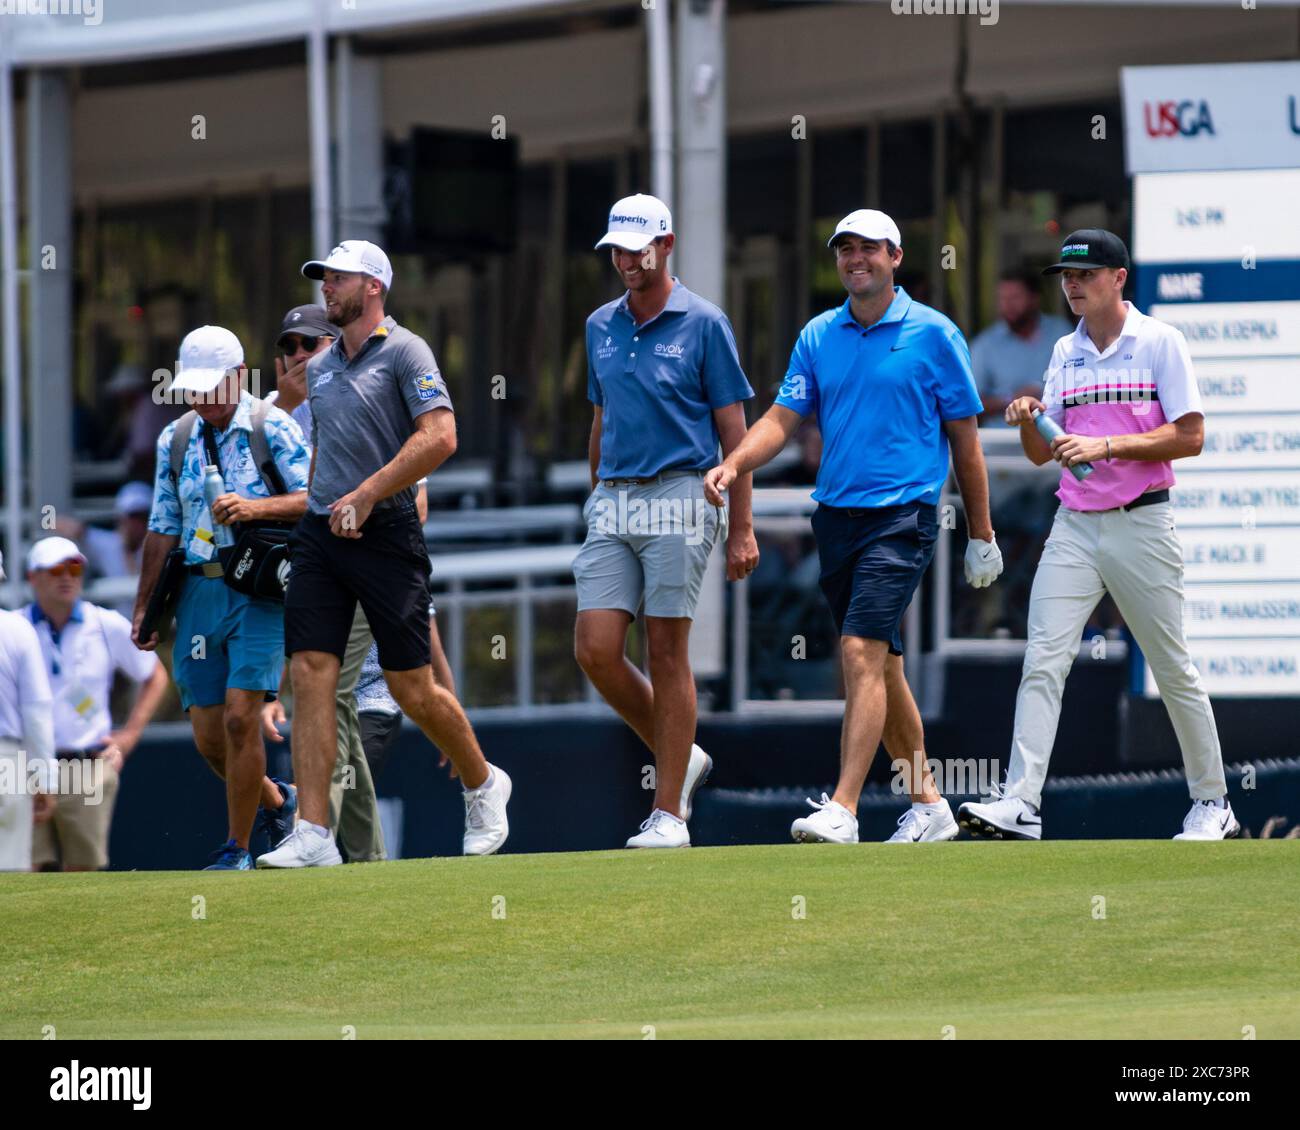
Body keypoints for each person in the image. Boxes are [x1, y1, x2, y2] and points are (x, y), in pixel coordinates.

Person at [705, 208, 1002, 844]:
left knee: (860, 652)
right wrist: (734, 463)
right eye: (845, 249)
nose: (855, 259)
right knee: (883, 668)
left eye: (869, 248)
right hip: (835, 519)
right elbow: (782, 421)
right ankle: (929, 804)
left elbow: (967, 443)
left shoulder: (935, 334)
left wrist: (982, 533)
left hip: (904, 515)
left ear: (896, 257)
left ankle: (844, 806)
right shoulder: (818, 335)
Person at [958, 229, 1238, 841]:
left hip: (1144, 520)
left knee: (1171, 667)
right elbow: (1042, 456)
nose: (1072, 284)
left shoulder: (1162, 342)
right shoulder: (1064, 352)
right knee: (1043, 660)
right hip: (1075, 525)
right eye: (1066, 275)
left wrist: (1107, 444)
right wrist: (1032, 418)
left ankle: (1214, 804)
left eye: (1085, 274)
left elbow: (1190, 436)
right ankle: (1022, 803)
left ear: (1118, 279)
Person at [258, 240, 510, 867]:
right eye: (324, 279)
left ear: (373, 286)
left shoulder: (407, 351)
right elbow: (325, 455)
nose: (327, 289)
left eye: (337, 279)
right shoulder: (319, 369)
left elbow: (441, 436)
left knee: (411, 685)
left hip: (387, 529)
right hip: (321, 532)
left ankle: (484, 782)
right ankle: (314, 832)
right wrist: (321, 503)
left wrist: (368, 495)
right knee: (312, 671)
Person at [574, 193, 758, 850]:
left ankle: (669, 813)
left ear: (666, 245)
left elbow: (734, 429)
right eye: (617, 249)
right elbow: (600, 419)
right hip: (615, 498)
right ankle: (683, 753)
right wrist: (596, 495)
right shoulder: (599, 324)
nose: (626, 259)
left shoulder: (705, 323)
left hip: (683, 491)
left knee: (665, 649)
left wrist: (742, 527)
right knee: (594, 647)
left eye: (637, 247)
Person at [133, 325, 311, 869]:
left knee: (240, 718)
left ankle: (237, 848)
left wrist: (254, 509)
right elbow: (163, 526)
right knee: (210, 734)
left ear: (238, 377)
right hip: (198, 591)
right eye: (194, 389)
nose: (202, 399)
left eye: (212, 387)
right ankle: (279, 800)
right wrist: (144, 607)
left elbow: (316, 500)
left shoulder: (271, 427)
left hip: (259, 589)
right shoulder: (176, 438)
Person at [23, 536, 169, 871]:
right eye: (56, 569)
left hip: (87, 763)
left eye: (74, 567)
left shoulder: (104, 623)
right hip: (25, 766)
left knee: (85, 871)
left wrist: (130, 735)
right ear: (33, 577)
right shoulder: (15, 628)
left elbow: (155, 676)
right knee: (25, 873)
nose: (67, 576)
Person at [0, 550, 57, 872]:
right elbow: (36, 711)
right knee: (8, 873)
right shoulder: (19, 630)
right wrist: (44, 780)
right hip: (6, 762)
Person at [969, 268, 1074, 423]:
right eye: (1002, 298)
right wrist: (1012, 400)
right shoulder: (985, 345)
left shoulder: (1062, 332)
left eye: (1015, 297)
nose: (1008, 305)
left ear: (1034, 298)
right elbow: (969, 404)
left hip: (1056, 436)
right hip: (1001, 440)